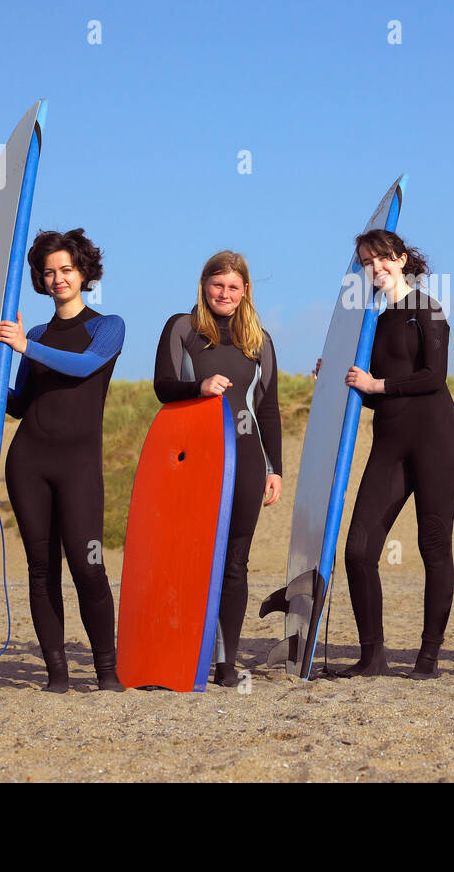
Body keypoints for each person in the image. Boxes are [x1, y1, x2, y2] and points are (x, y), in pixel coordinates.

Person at [0, 228, 127, 693]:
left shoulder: (107, 326)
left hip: (79, 466)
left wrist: (24, 347)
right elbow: (20, 401)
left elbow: (85, 366)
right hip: (28, 461)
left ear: (84, 272)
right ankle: (57, 675)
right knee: (41, 567)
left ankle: (107, 673)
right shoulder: (37, 332)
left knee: (89, 566)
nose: (57, 279)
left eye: (66, 269)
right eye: (48, 272)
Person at [333, 230, 454, 680]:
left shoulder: (426, 308)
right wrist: (351, 383)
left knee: (432, 546)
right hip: (390, 442)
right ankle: (372, 656)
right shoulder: (372, 320)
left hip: (438, 442)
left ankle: (428, 658)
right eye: (367, 262)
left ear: (402, 259)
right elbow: (379, 395)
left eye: (383, 259)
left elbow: (434, 376)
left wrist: (376, 385)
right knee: (357, 550)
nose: (376, 268)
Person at [153, 251, 283, 687]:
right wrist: (200, 387)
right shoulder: (182, 328)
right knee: (189, 557)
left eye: (233, 286)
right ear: (204, 285)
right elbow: (163, 388)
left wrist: (275, 467)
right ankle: (182, 655)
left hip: (245, 458)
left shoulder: (259, 341)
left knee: (235, 564)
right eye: (217, 285)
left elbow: (269, 410)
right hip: (194, 458)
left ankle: (225, 666)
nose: (225, 294)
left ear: (245, 290)